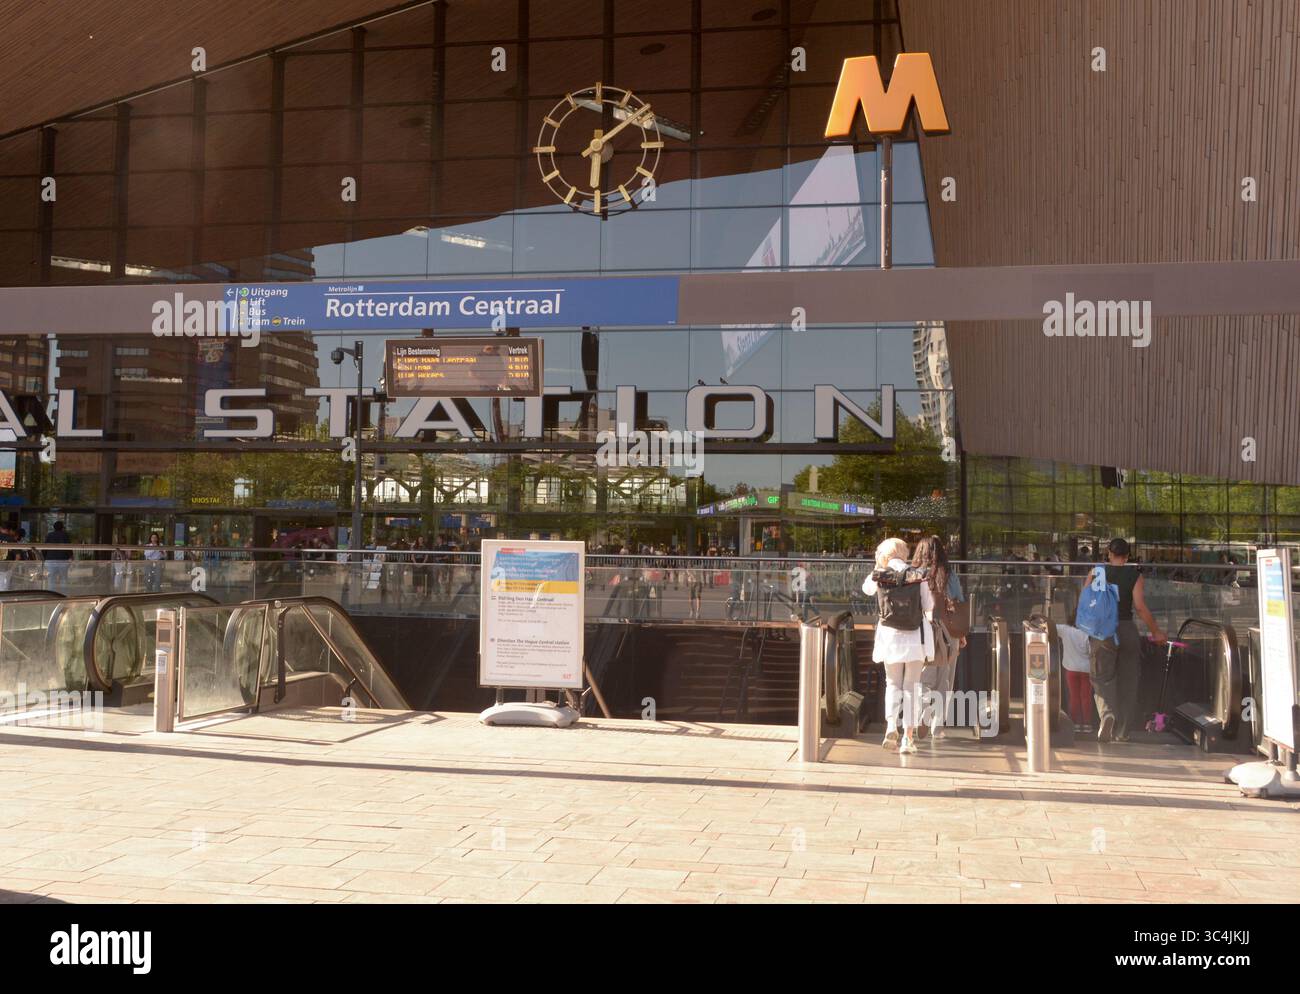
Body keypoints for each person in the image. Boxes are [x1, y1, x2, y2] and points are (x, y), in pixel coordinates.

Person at [1082, 538, 1167, 742]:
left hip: (1104, 630)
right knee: (1129, 682)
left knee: (1101, 678)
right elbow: (1139, 606)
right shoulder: (1134, 576)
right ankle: (1123, 732)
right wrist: (1156, 632)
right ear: (1127, 556)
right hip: (1127, 628)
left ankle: (1107, 714)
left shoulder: (1097, 572)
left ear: (1108, 554)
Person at [863, 537, 933, 755]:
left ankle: (891, 726)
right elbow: (929, 605)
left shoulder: (879, 574)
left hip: (890, 637)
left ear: (884, 554)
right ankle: (908, 738)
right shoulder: (917, 575)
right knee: (912, 687)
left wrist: (878, 566)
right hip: (914, 639)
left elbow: (866, 589)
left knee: (892, 683)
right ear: (905, 554)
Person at [912, 536, 965, 739]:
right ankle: (937, 727)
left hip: (922, 630)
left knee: (923, 676)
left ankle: (922, 715)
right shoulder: (949, 575)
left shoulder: (914, 575)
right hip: (948, 631)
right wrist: (961, 635)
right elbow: (958, 601)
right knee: (945, 678)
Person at [1055, 621, 1094, 732]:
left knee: (1074, 697)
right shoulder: (1089, 634)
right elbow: (1091, 652)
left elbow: (1049, 626)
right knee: (1086, 697)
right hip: (1086, 670)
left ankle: (1074, 723)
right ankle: (1087, 724)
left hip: (1071, 669)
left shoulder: (1065, 630)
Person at [43, 520, 73, 591]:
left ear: (54, 527)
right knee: (64, 579)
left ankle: (52, 596)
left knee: (51, 580)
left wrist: (44, 558)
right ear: (62, 527)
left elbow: (44, 548)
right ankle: (63, 596)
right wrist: (71, 556)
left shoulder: (49, 535)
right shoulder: (65, 535)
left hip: (50, 561)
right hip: (63, 560)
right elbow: (69, 548)